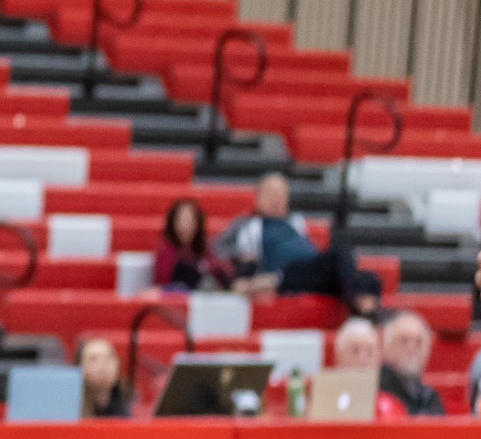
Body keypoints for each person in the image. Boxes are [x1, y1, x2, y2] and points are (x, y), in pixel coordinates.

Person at [211, 173, 382, 316]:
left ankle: (361, 308)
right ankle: (362, 311)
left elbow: (310, 252)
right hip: (282, 275)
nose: (276, 200)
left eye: (281, 195)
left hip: (310, 271)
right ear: (258, 197)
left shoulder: (296, 222)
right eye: (271, 194)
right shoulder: (246, 224)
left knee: (370, 279)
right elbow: (217, 249)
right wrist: (242, 259)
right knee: (340, 255)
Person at [377, 309, 443, 417]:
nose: (411, 349)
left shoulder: (428, 396)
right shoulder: (373, 392)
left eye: (418, 342)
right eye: (404, 341)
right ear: (385, 346)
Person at [152, 199, 229, 291]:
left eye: (190, 219)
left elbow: (217, 272)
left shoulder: (203, 248)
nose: (185, 224)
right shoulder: (166, 250)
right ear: (173, 222)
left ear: (198, 222)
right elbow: (162, 282)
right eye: (181, 219)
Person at [76, 337, 131, 419]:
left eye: (109, 357)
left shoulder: (131, 398)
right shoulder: (72, 405)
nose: (103, 365)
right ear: (79, 366)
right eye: (93, 359)